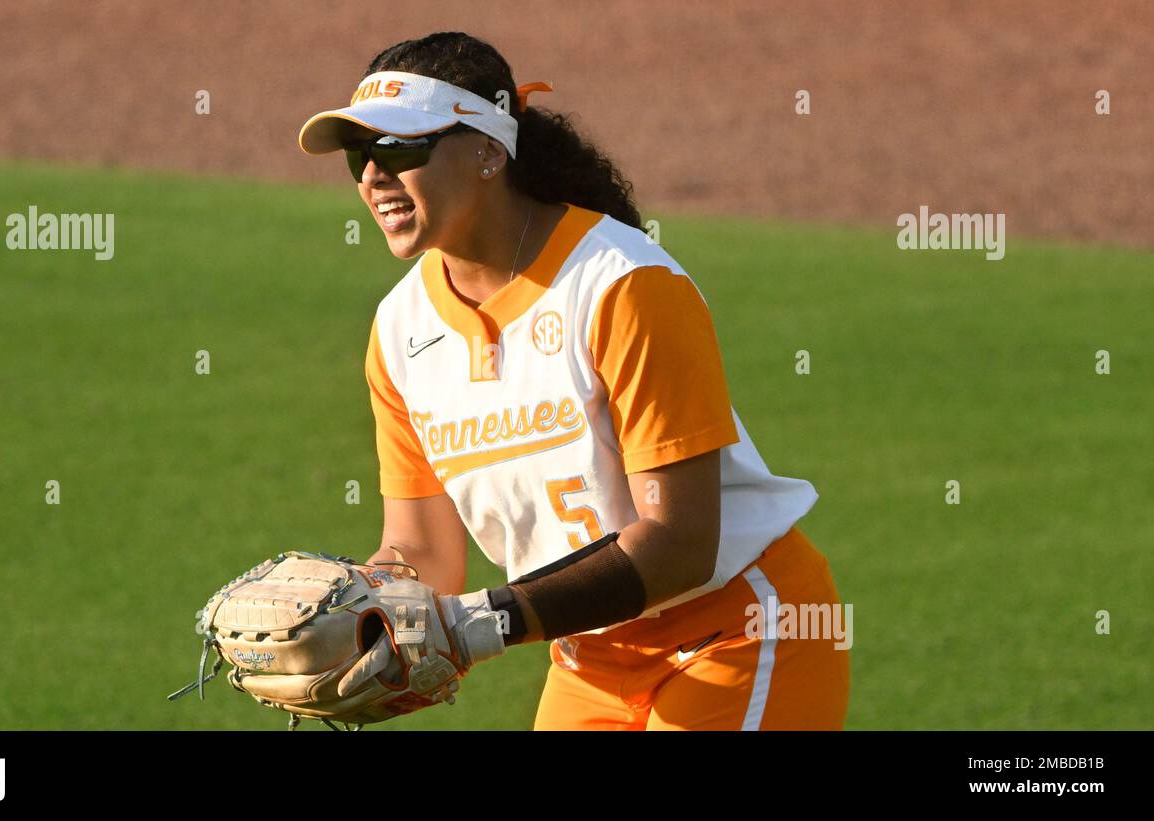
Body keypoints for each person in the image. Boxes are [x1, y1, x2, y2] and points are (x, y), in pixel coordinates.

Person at [297, 31, 850, 730]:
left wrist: (479, 623)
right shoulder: (399, 329)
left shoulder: (623, 284)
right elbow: (426, 551)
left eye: (401, 148)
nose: (374, 175)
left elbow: (679, 541)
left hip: (739, 632)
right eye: (359, 155)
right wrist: (363, 614)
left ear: (489, 150)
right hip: (589, 661)